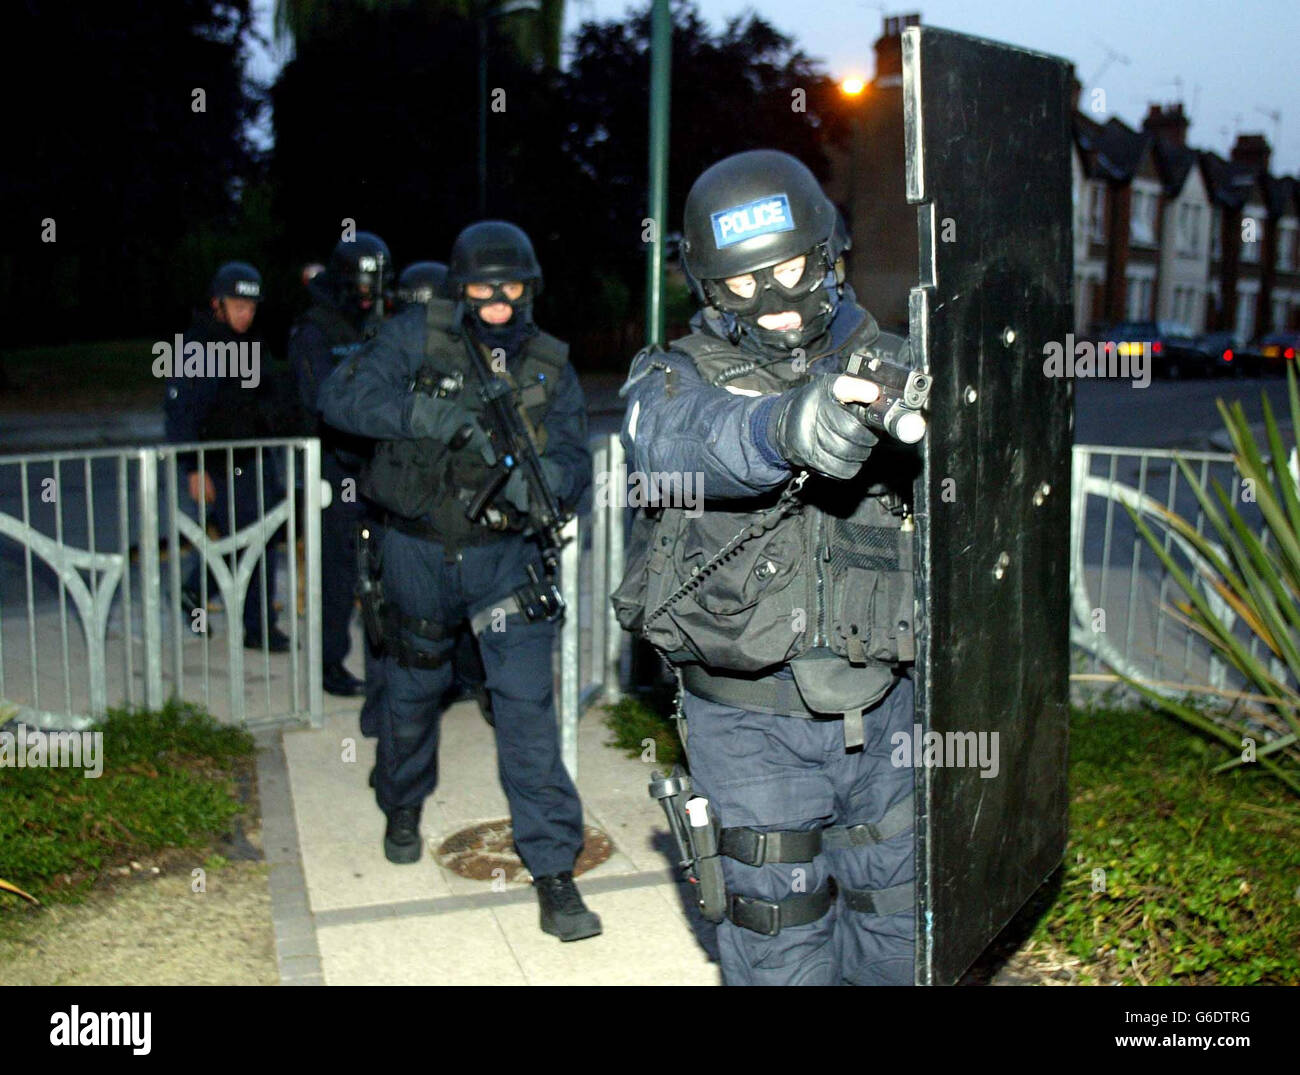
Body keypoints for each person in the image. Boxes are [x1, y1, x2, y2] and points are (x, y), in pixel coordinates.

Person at [615, 150, 920, 985]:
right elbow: (676, 441)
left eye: (789, 269)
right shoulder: (670, 379)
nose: (776, 302)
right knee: (781, 948)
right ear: (708, 288)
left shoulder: (894, 359)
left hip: (888, 709)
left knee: (900, 941)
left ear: (828, 254)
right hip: (749, 726)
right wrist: (785, 428)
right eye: (745, 284)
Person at [317, 220, 601, 941]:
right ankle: (402, 802)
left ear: (529, 287)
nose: (498, 299)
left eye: (511, 285)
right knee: (409, 698)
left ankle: (553, 870)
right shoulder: (417, 335)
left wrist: (550, 489)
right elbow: (339, 399)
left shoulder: (548, 362)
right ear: (459, 288)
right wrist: (420, 413)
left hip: (504, 562)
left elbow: (574, 454)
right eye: (482, 285)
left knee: (527, 716)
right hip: (415, 553)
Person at [165, 260, 289, 652]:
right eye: (238, 305)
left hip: (256, 458)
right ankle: (257, 626)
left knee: (256, 540)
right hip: (219, 463)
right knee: (245, 542)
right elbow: (180, 412)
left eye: (251, 307)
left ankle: (223, 606)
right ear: (217, 303)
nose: (245, 314)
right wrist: (193, 469)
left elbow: (267, 396)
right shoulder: (197, 345)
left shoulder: (252, 343)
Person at [290, 231, 392, 697]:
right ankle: (329, 661)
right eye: (363, 284)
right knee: (338, 567)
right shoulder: (317, 328)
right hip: (334, 464)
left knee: (382, 565)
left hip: (375, 463)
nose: (369, 294)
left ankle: (384, 661)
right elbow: (318, 400)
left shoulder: (374, 321)